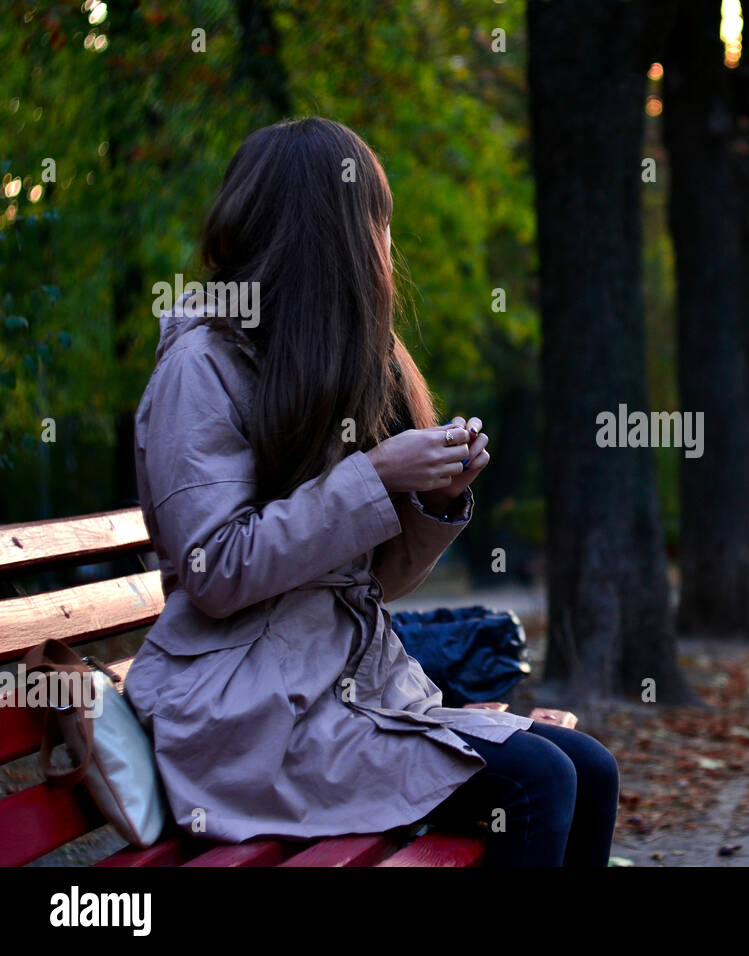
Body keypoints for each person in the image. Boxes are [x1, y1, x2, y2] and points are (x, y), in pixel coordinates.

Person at [123, 118, 618, 867]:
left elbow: (371, 586)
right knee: (539, 781)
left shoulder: (319, 366)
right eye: (374, 223)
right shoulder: (202, 368)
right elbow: (217, 572)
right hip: (247, 715)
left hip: (342, 694)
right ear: (327, 238)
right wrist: (377, 477)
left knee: (590, 766)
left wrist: (432, 502)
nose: (386, 248)